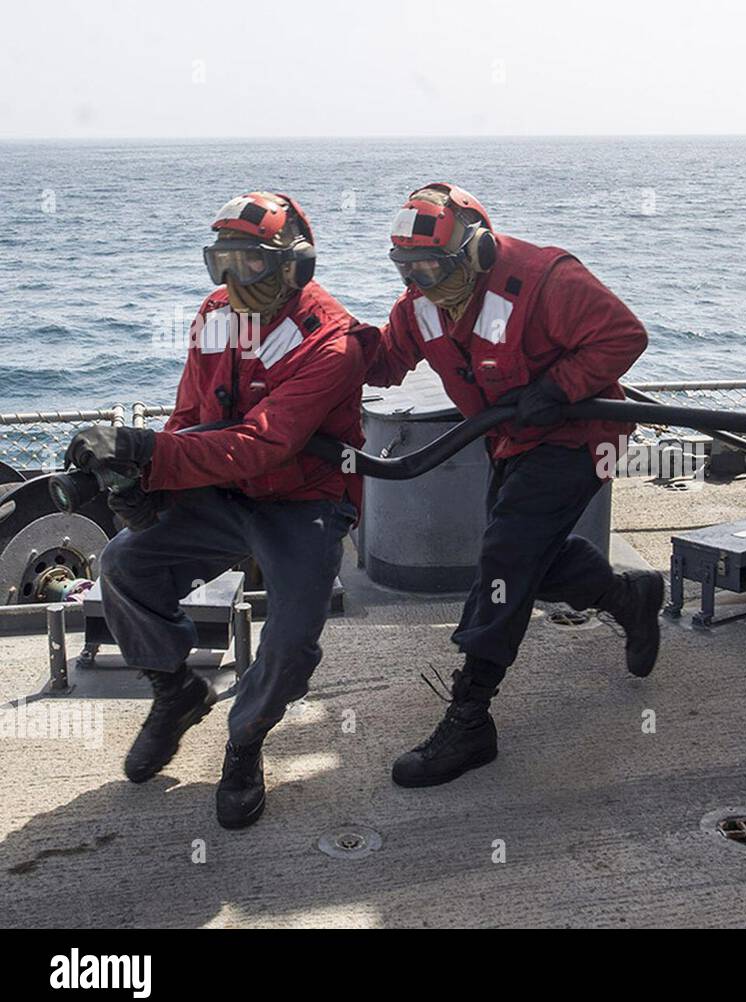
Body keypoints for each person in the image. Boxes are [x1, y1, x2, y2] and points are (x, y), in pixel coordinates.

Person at [65, 192, 370, 828]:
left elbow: (264, 444)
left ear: (295, 265)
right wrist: (149, 479)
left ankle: (246, 740)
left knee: (291, 639)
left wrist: (147, 450)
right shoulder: (215, 313)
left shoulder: (332, 341)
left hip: (302, 502)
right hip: (221, 491)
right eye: (222, 263)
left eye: (250, 263)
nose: (233, 280)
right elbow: (190, 413)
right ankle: (175, 689)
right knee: (125, 565)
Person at [364, 182, 662, 787]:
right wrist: (310, 353)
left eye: (433, 269)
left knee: (505, 557)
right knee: (529, 561)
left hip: (579, 436)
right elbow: (382, 362)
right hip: (510, 440)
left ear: (475, 252)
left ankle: (470, 716)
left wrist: (557, 389)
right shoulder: (420, 304)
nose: (423, 284)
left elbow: (624, 335)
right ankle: (626, 598)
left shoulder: (546, 278)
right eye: (409, 271)